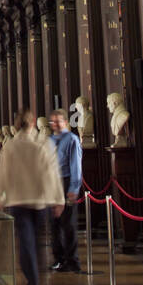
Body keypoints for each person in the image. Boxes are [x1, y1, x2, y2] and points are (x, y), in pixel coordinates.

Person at [0, 110, 64, 285]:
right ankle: (35, 277)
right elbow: (52, 172)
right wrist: (58, 199)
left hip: (18, 200)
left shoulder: (10, 145)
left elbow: (1, 173)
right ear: (33, 122)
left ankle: (32, 281)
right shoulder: (43, 143)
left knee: (26, 241)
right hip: (40, 200)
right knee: (36, 240)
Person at [48, 108, 83, 273]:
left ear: (65, 123)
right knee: (54, 223)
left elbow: (76, 165)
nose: (54, 124)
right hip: (52, 183)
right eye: (52, 121)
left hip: (66, 181)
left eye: (58, 121)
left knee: (67, 223)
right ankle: (58, 258)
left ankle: (72, 260)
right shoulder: (48, 140)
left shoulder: (72, 139)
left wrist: (73, 188)